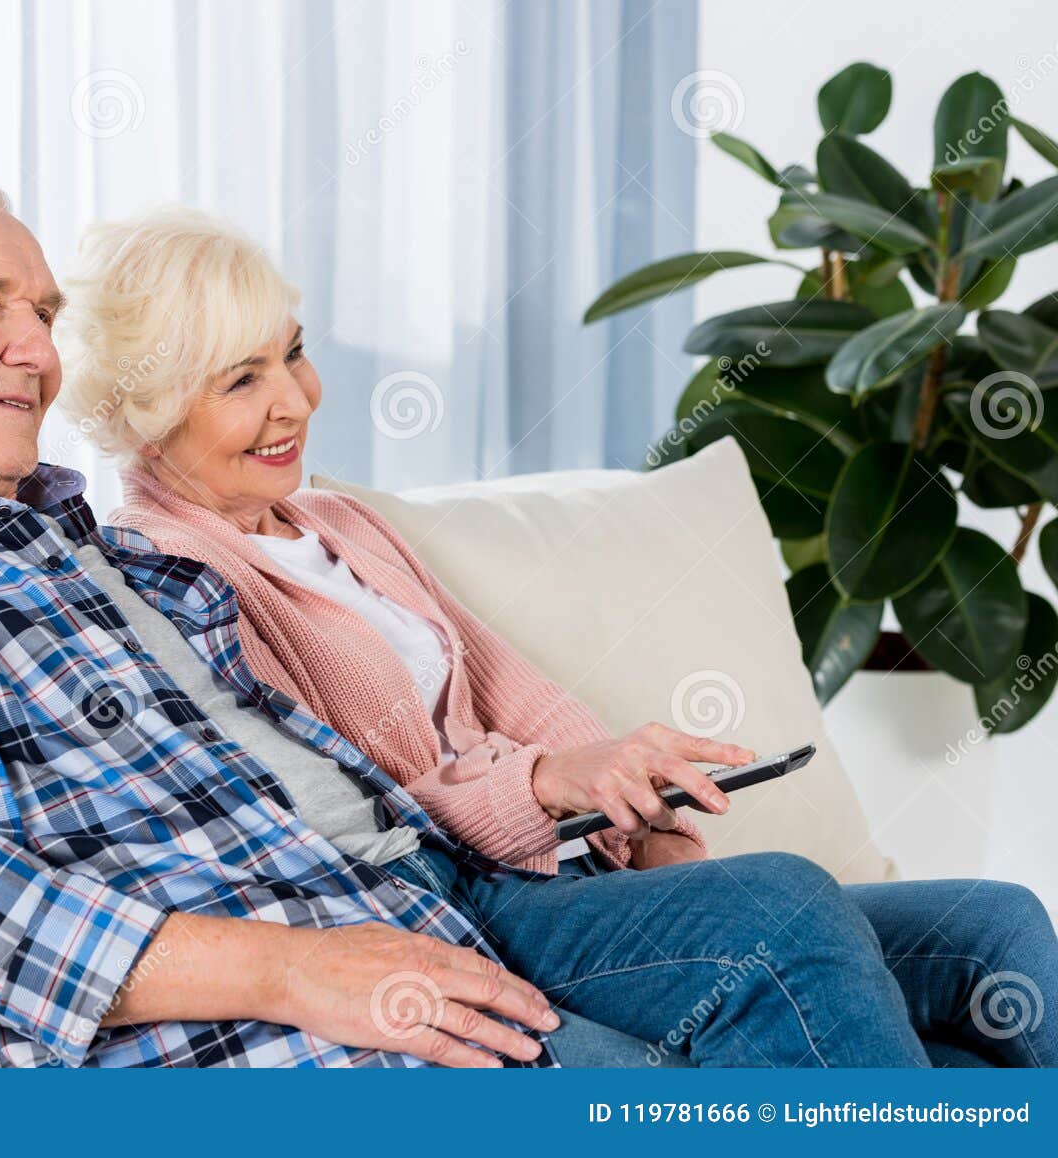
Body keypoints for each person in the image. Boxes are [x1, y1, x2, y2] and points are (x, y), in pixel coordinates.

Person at [59, 205, 1058, 1068]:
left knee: (997, 927)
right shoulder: (167, 579)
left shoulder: (338, 525)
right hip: (471, 906)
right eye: (242, 381)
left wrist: (624, 802)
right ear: (148, 415)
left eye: (293, 351)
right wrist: (542, 791)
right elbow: (353, 814)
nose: (295, 399)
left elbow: (513, 694)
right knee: (784, 912)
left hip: (565, 871)